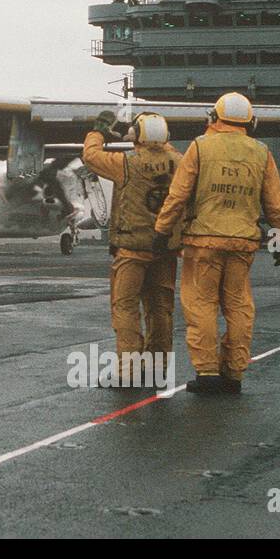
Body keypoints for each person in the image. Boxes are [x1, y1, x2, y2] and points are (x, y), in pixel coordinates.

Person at [151, 92, 280, 395]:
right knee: (239, 307)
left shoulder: (200, 147)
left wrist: (161, 232)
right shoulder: (261, 152)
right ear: (250, 122)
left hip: (203, 241)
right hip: (242, 243)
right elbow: (275, 204)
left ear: (213, 118)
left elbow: (178, 196)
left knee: (201, 306)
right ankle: (234, 373)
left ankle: (207, 372)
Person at [83, 110, 182, 386]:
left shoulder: (126, 163)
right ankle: (158, 367)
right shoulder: (180, 161)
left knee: (125, 307)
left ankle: (128, 372)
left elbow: (90, 157)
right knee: (161, 308)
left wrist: (98, 132)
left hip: (131, 248)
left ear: (135, 136)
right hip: (166, 249)